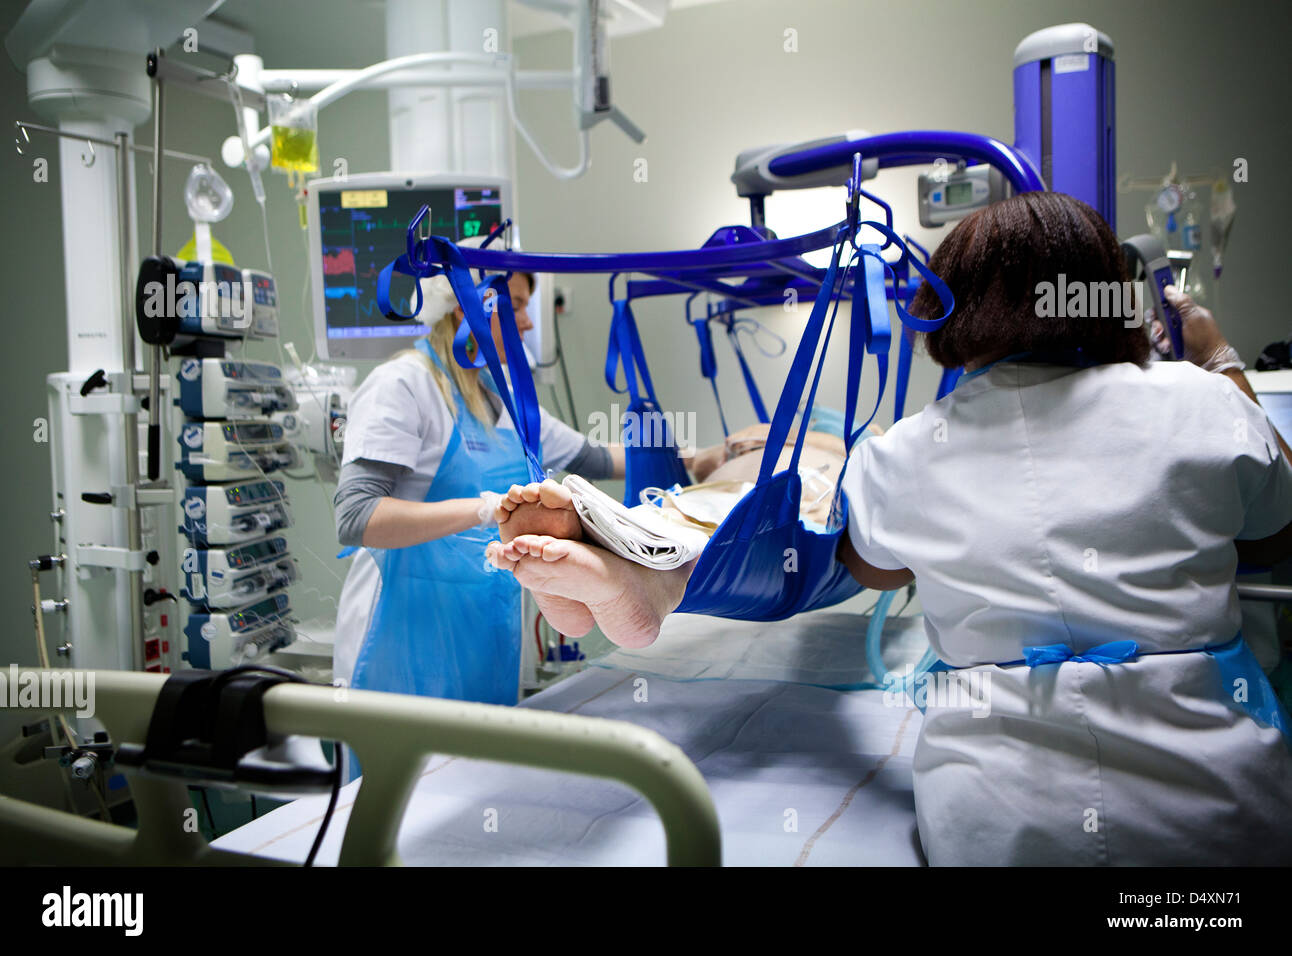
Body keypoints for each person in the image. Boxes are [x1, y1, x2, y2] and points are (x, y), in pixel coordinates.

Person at [485, 191, 1292, 865]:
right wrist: (1218, 356)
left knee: (784, 497)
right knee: (747, 495)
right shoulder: (1200, 406)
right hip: (1211, 823)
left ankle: (651, 562)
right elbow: (1276, 513)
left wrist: (848, 471)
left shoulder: (908, 451)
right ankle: (647, 551)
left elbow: (855, 561)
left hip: (997, 822)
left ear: (947, 309)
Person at [331, 260, 635, 704]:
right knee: (401, 769)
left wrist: (700, 457)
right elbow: (357, 516)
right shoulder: (404, 384)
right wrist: (484, 509)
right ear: (465, 309)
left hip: (485, 625)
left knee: (480, 764)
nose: (528, 323)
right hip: (404, 633)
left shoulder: (503, 396)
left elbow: (592, 457)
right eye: (515, 306)